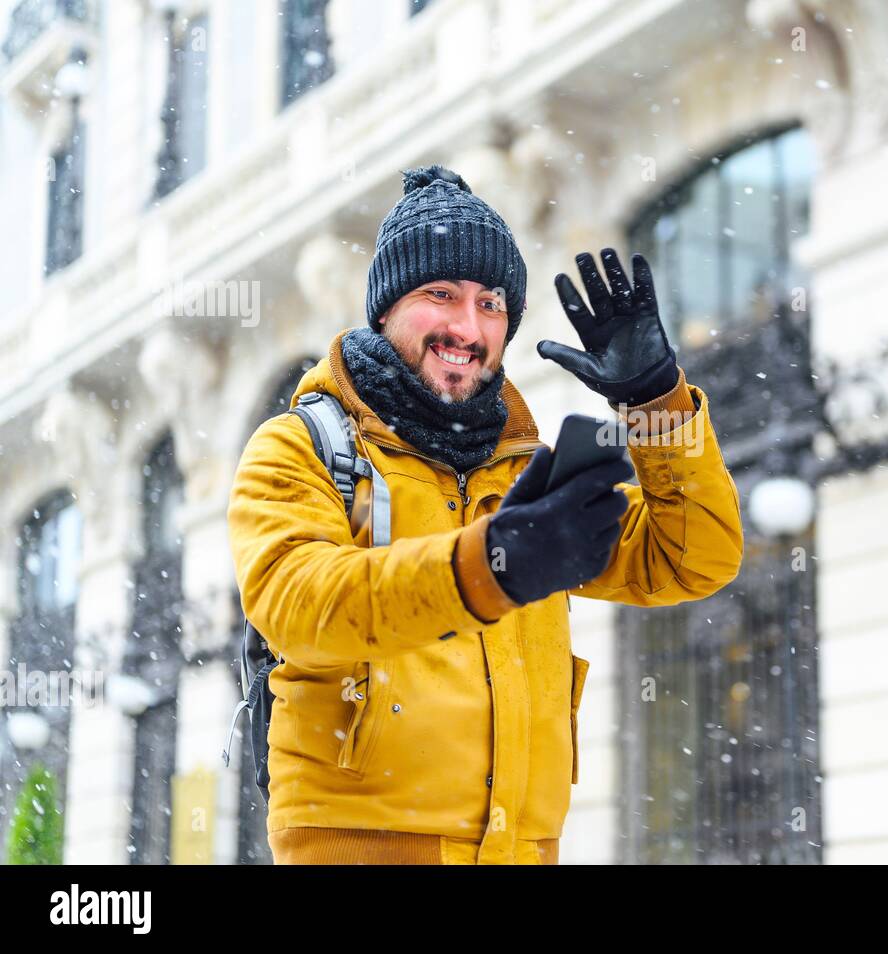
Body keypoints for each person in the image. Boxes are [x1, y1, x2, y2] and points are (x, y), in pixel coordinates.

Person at [226, 164, 744, 864]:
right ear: (385, 308)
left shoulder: (522, 472)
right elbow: (300, 603)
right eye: (440, 294)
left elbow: (694, 558)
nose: (466, 327)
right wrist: (490, 566)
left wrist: (656, 403)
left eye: (492, 303)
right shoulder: (302, 446)